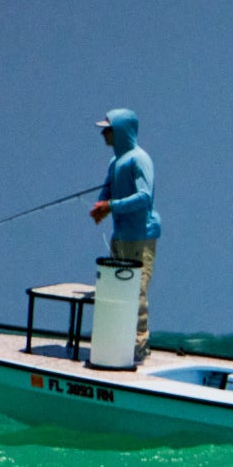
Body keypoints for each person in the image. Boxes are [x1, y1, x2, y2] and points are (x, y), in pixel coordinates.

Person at [90, 108, 159, 360]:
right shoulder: (115, 162)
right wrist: (101, 205)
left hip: (140, 237)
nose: (104, 134)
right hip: (120, 237)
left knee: (137, 293)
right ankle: (117, 344)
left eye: (108, 130)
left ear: (120, 131)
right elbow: (107, 190)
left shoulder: (139, 159)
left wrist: (112, 206)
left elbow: (144, 197)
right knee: (117, 291)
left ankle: (139, 347)